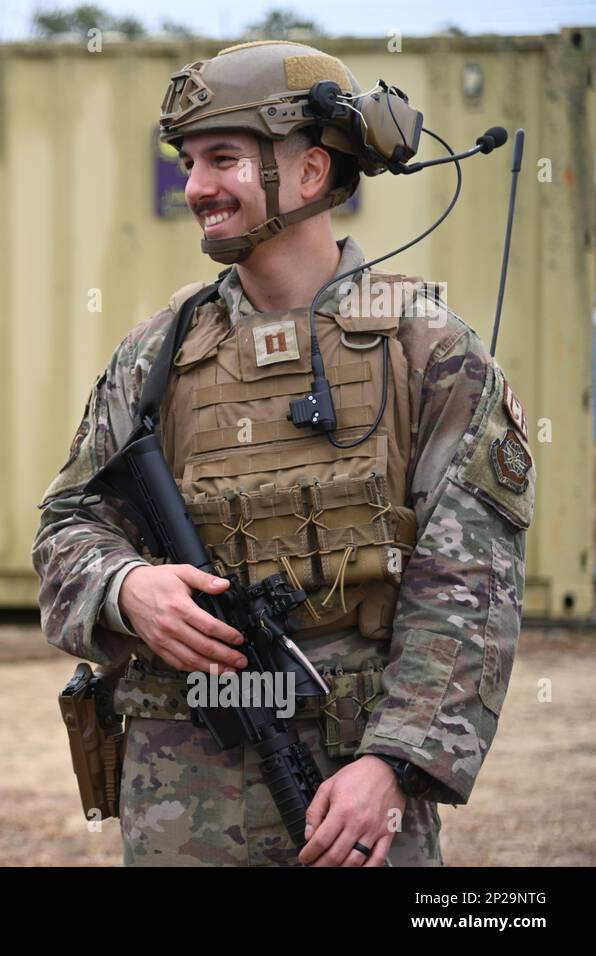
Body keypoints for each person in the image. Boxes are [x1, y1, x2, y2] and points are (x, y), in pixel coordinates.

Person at [33, 40, 533, 867]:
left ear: (308, 172)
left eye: (223, 157)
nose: (195, 187)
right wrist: (128, 586)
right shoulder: (158, 356)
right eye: (189, 161)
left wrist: (392, 763)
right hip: (180, 794)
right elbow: (67, 526)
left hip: (354, 791)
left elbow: (472, 590)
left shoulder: (428, 349)